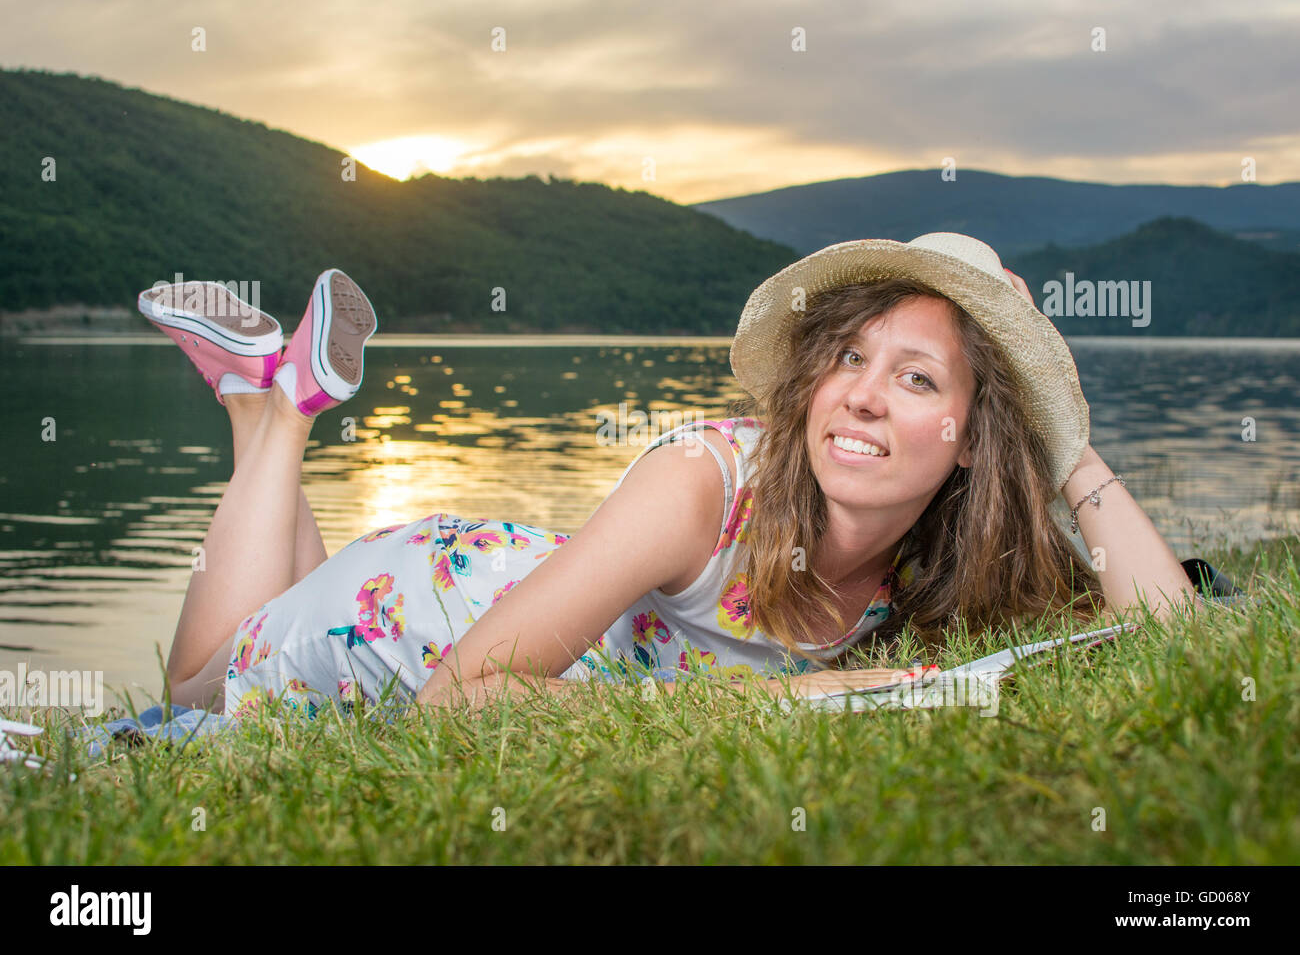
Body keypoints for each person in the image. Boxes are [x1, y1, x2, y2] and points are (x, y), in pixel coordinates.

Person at [141, 233, 1198, 718]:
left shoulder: (939, 555)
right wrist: (790, 702)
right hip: (411, 615)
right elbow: (459, 698)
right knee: (191, 691)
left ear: (970, 439)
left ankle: (260, 398)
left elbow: (1174, 646)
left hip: (470, 587)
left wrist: (1064, 449)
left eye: (915, 376)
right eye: (847, 357)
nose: (863, 394)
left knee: (239, 627)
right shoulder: (708, 476)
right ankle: (276, 412)